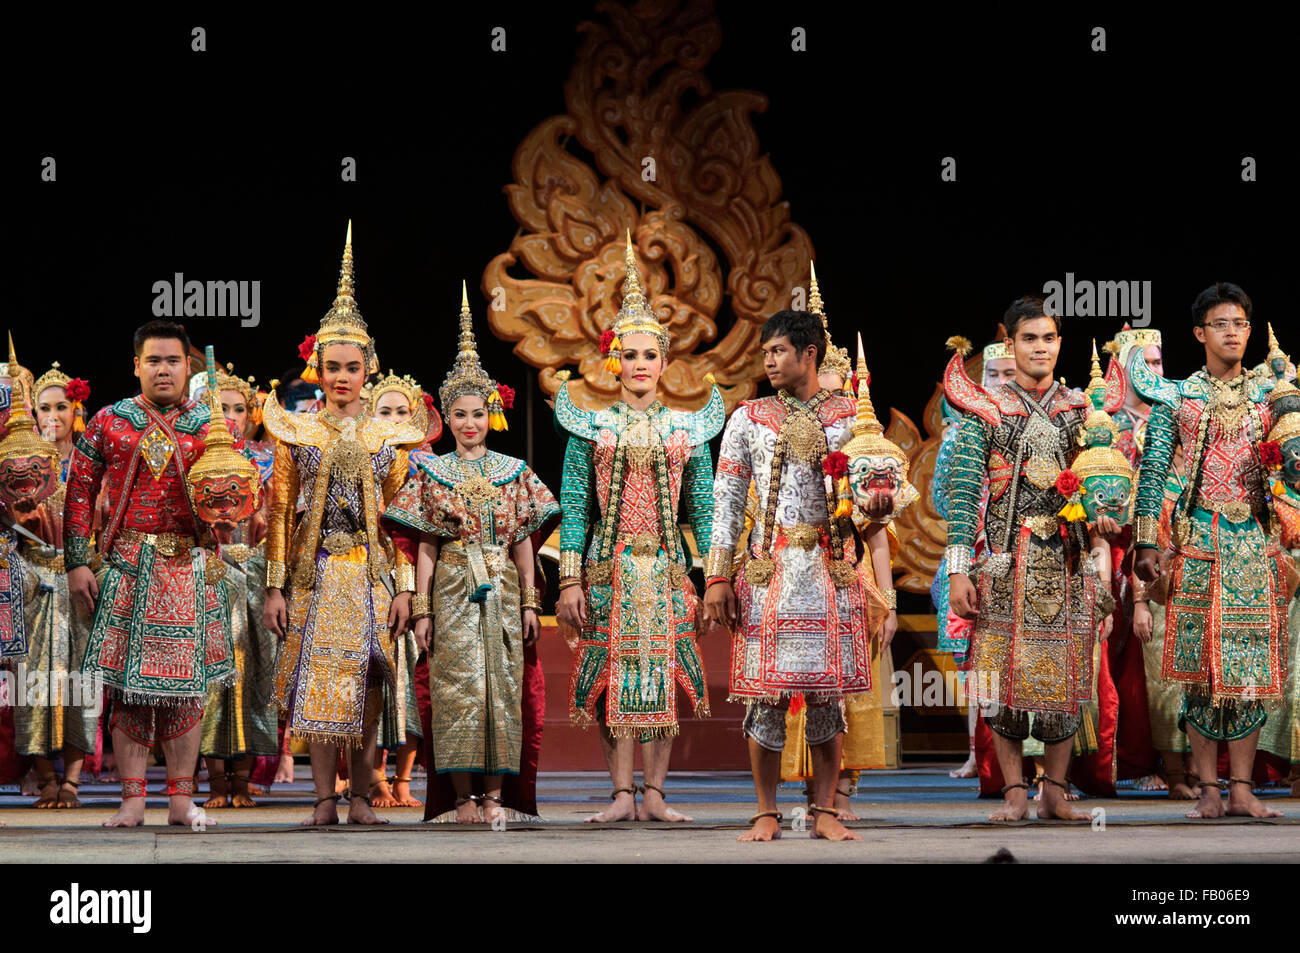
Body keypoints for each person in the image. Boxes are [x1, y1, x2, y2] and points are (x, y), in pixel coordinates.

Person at [556, 235, 722, 823]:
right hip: (608, 564)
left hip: (671, 567)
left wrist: (712, 579)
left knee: (664, 674)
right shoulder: (592, 429)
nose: (641, 365)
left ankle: (654, 792)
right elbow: (576, 509)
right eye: (630, 356)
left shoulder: (687, 429)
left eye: (650, 355)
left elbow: (704, 510)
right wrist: (569, 580)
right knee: (611, 678)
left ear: (665, 362)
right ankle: (621, 794)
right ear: (614, 360)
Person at [706, 308, 888, 843]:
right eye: (765, 352)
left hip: (833, 571)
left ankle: (825, 811)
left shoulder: (853, 418)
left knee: (828, 697)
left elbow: (877, 503)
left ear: (809, 353)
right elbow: (727, 502)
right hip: (769, 569)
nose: (769, 360)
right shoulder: (748, 417)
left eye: (778, 350)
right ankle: (764, 811)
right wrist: (717, 578)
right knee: (766, 698)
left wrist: (879, 506)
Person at [262, 222, 422, 826]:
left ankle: (360, 797)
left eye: (353, 367)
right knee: (318, 687)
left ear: (370, 366)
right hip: (315, 570)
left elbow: (402, 521)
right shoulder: (295, 428)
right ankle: (324, 800)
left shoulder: (391, 434)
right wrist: (275, 587)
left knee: (370, 688)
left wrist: (407, 589)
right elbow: (279, 511)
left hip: (372, 573)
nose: (342, 377)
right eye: (332, 367)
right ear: (316, 366)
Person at [384, 283, 559, 824]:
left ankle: (494, 796)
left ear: (492, 415)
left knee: (501, 690)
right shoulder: (430, 472)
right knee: (456, 691)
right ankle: (460, 798)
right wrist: (421, 610)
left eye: (477, 414)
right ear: (449, 417)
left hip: (504, 591)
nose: (468, 424)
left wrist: (531, 604)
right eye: (459, 415)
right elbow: (426, 548)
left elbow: (525, 544)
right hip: (454, 590)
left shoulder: (515, 472)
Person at [944, 296, 1117, 822]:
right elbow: (963, 494)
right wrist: (958, 569)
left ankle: (1056, 794)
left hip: (1067, 562)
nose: (1039, 348)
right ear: (1009, 343)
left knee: (1063, 680)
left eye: (1048, 338)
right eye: (1029, 339)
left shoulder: (1083, 410)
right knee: (999, 684)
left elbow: (1104, 485)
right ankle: (1015, 794)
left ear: (1059, 343)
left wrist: (1106, 528)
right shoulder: (986, 408)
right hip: (1003, 561)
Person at [64, 320, 238, 828]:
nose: (164, 369)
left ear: (189, 366)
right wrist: (77, 561)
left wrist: (229, 513)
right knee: (130, 691)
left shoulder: (211, 426)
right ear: (136, 365)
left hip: (192, 565)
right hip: (128, 566)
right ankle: (133, 800)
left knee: (187, 689)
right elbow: (78, 490)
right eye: (153, 360)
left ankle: (182, 801)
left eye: (174, 361)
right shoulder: (108, 422)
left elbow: (239, 491)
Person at [1132, 282, 1296, 819]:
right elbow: (1153, 473)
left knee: (1249, 674)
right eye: (1221, 324)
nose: (1232, 333)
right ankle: (1208, 791)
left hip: (1253, 546)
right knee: (1201, 676)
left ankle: (1242, 788)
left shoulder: (1271, 397)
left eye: (1241, 324)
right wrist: (1146, 542)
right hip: (1198, 544)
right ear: (1200, 333)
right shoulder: (1177, 397)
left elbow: (1291, 471)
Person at [778, 267, 905, 819]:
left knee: (850, 687)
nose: (830, 406)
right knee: (802, 685)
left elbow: (878, 532)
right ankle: (807, 791)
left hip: (851, 578)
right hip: (795, 572)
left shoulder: (862, 441)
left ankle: (842, 790)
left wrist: (888, 603)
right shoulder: (775, 433)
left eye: (838, 394)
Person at [10, 361, 99, 808]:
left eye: (61, 406)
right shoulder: (14, 463)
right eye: (44, 407)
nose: (53, 416)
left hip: (80, 582)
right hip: (31, 586)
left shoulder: (88, 464)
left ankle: (73, 781)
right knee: (32, 683)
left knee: (82, 683)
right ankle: (45, 778)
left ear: (75, 410)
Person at [193, 362, 279, 808]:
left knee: (255, 678)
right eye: (219, 407)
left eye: (238, 409)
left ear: (252, 414)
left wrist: (275, 584)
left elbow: (279, 523)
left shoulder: (268, 460)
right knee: (212, 679)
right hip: (209, 574)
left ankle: (243, 781)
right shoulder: (194, 458)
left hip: (256, 575)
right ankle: (215, 783)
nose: (229, 416)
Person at [364, 369, 442, 809]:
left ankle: (405, 779)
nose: (393, 419)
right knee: (376, 676)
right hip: (371, 574)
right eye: (384, 411)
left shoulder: (431, 468)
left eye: (401, 411)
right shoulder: (361, 458)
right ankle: (372, 777)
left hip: (418, 579)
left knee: (412, 679)